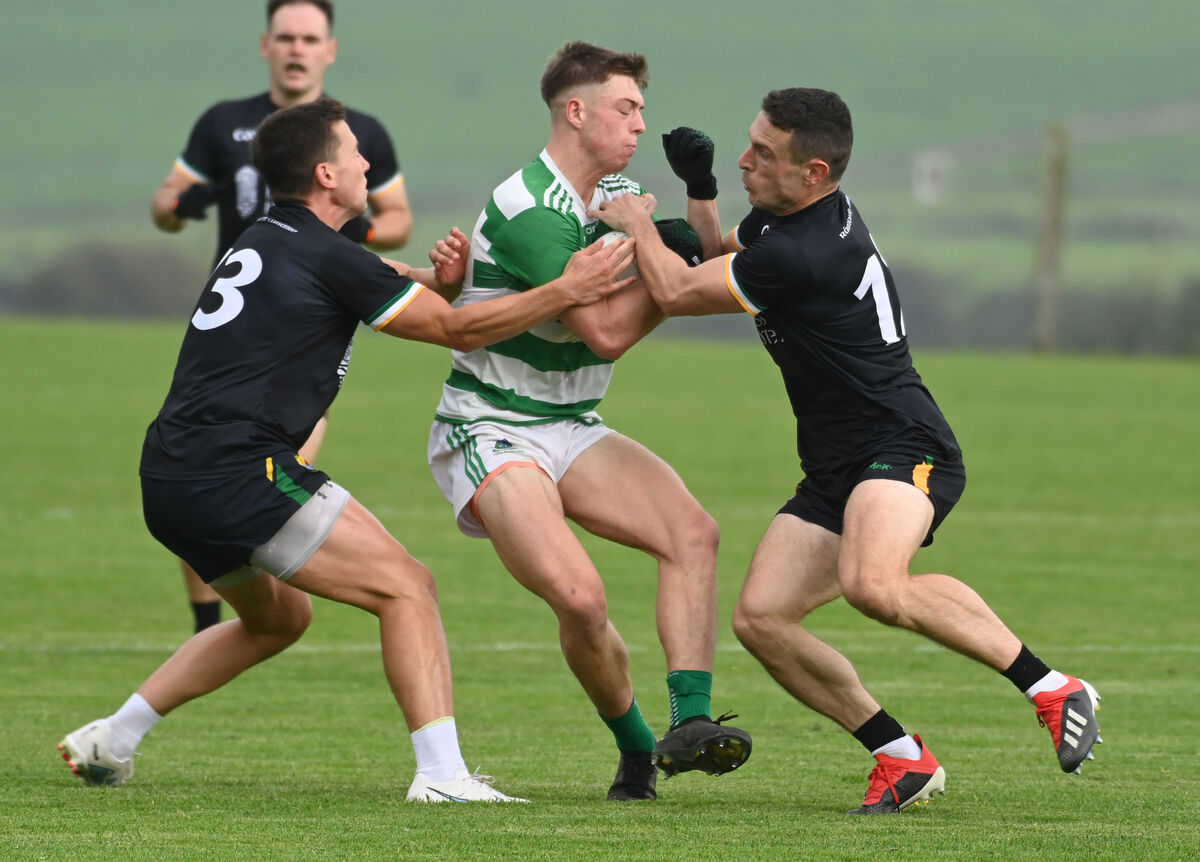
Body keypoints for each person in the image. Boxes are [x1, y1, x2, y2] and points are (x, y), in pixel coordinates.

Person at [59, 97, 635, 802]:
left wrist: (439, 283)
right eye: (355, 151)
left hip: (169, 476)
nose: (367, 163)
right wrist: (566, 289)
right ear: (326, 175)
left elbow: (372, 281)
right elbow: (456, 332)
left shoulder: (266, 235)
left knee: (279, 620)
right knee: (408, 587)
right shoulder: (328, 254)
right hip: (239, 471)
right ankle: (442, 777)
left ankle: (112, 738)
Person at [591, 88, 1102, 814]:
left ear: (815, 172)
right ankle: (901, 757)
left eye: (763, 153)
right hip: (837, 465)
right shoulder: (790, 220)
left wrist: (636, 221)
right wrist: (700, 189)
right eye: (749, 143)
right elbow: (717, 257)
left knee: (874, 584)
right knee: (763, 619)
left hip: (903, 442)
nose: (745, 160)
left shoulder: (801, 252)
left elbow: (675, 291)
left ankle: (1052, 687)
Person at [425, 41, 751, 803]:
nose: (640, 124)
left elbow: (698, 260)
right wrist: (659, 253)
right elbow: (605, 332)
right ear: (576, 111)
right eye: (626, 108)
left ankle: (690, 724)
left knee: (693, 533)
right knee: (580, 599)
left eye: (641, 109)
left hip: (571, 422)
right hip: (491, 425)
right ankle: (637, 750)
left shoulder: (617, 191)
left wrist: (697, 193)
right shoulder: (530, 208)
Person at [150, 0, 413, 634]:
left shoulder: (357, 133)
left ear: (330, 50)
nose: (298, 48)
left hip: (311, 314)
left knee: (266, 458)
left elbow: (399, 219)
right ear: (266, 45)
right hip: (237, 319)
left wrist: (352, 235)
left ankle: (264, 583)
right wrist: (180, 206)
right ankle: (210, 621)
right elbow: (164, 204)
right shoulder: (224, 124)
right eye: (287, 37)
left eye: (310, 38)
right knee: (210, 453)